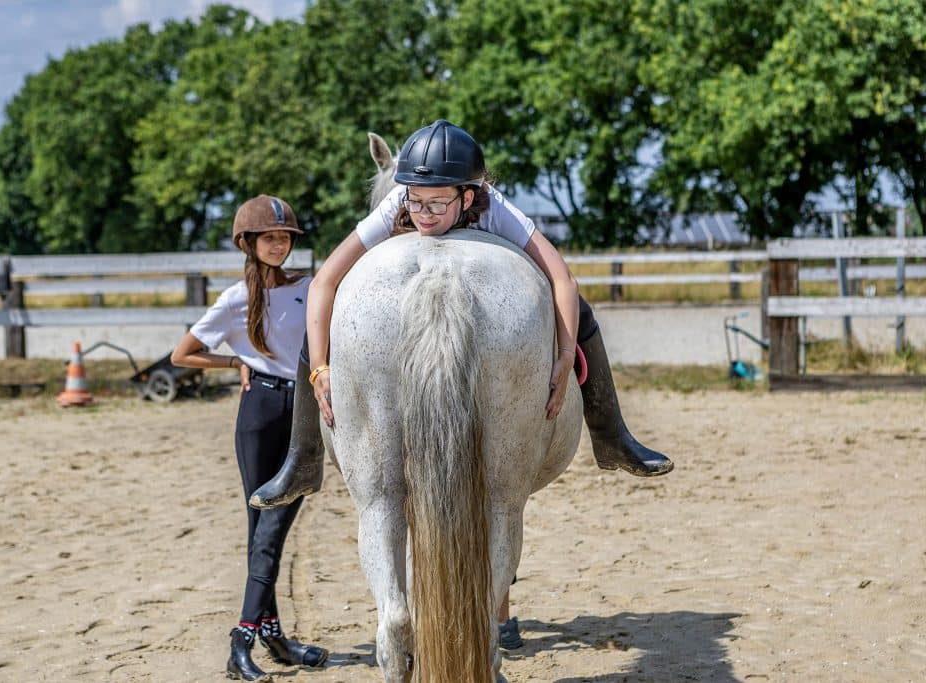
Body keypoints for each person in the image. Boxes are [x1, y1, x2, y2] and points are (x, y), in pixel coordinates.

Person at [251, 119, 673, 513]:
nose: (423, 214)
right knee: (325, 324)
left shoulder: (497, 208)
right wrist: (321, 367)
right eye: (417, 202)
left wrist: (564, 354)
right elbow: (325, 282)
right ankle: (303, 457)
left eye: (437, 203)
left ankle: (612, 434)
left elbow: (563, 280)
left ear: (468, 196)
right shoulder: (400, 199)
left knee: (579, 312)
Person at [171, 195, 328, 681]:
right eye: (270, 238)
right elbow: (183, 354)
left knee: (271, 530)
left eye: (285, 237)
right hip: (259, 412)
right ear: (249, 243)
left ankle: (270, 635)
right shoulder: (236, 299)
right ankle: (246, 638)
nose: (280, 245)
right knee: (263, 529)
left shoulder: (312, 287)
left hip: (303, 410)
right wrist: (235, 362)